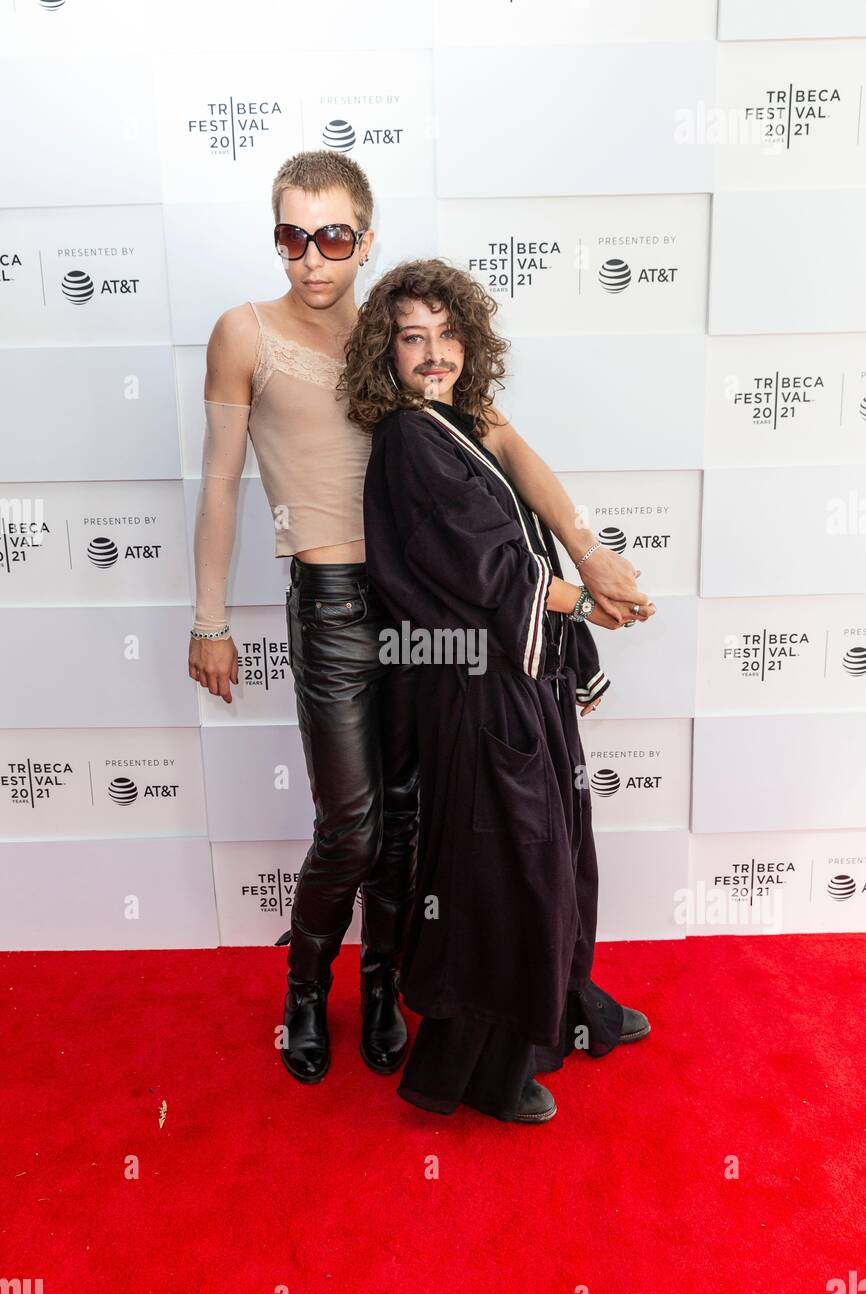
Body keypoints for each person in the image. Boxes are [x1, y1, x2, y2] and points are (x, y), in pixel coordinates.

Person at [341, 259, 655, 1123]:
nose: (433, 352)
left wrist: (588, 555)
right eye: (412, 339)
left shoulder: (458, 421)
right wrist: (590, 598)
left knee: (555, 853)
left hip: (519, 676)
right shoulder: (409, 441)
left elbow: (522, 483)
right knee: (501, 872)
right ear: (387, 354)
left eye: (446, 334)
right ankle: (478, 1071)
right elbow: (486, 569)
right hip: (479, 690)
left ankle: (566, 1006)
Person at [187, 150, 419, 1084]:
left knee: (404, 819)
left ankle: (381, 982)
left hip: (416, 604)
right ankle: (304, 983)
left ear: (366, 238)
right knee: (351, 824)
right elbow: (219, 482)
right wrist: (209, 620)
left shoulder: (399, 336)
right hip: (327, 607)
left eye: (331, 237)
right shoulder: (242, 333)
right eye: (292, 235)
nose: (311, 258)